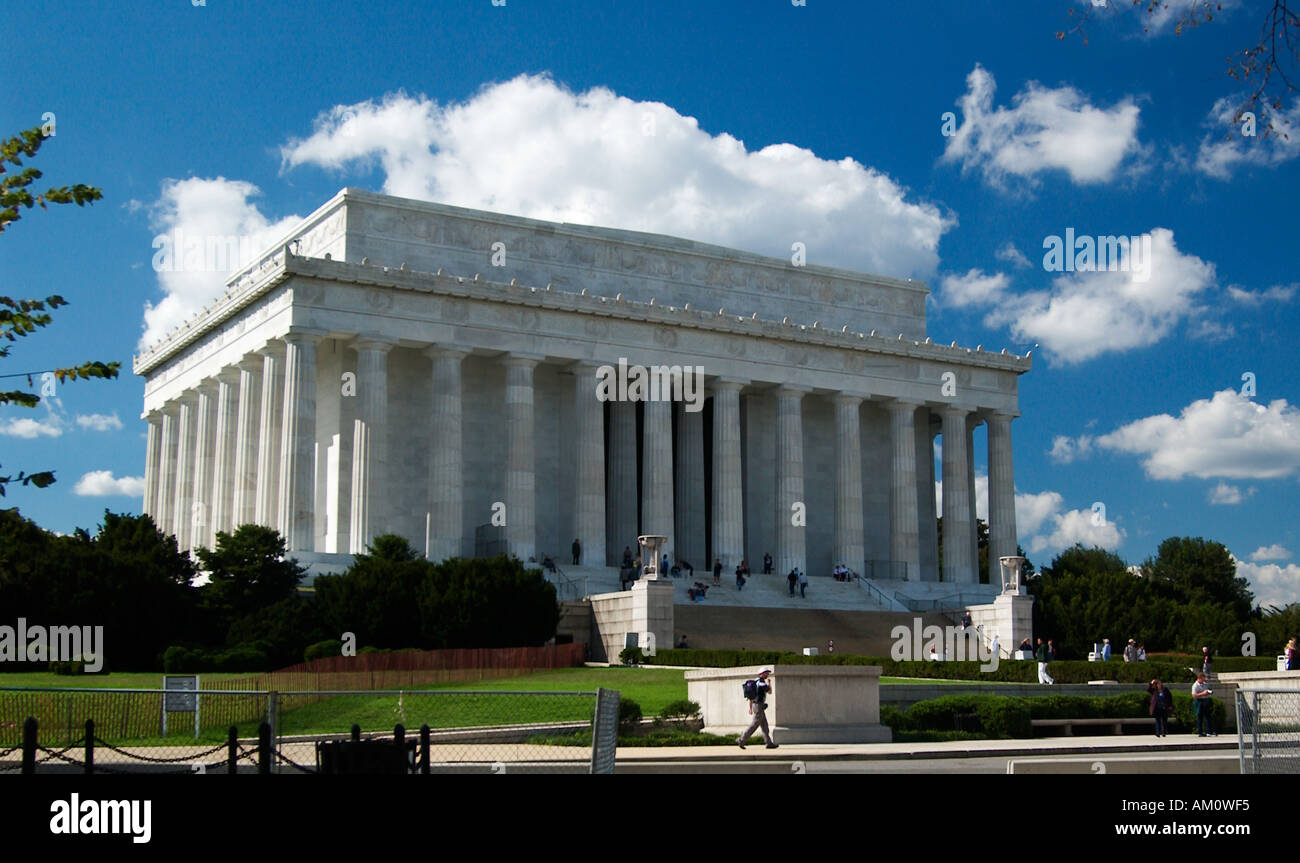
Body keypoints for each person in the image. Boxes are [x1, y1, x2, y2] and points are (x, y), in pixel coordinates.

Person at [737, 669, 778, 749]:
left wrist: (750, 708)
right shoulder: (762, 683)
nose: (767, 675)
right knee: (754, 724)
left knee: (764, 725)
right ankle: (741, 739)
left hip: (757, 706)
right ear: (761, 674)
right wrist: (769, 683)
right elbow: (769, 691)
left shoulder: (755, 682)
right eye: (766, 673)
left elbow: (750, 698)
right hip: (759, 706)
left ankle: (768, 742)